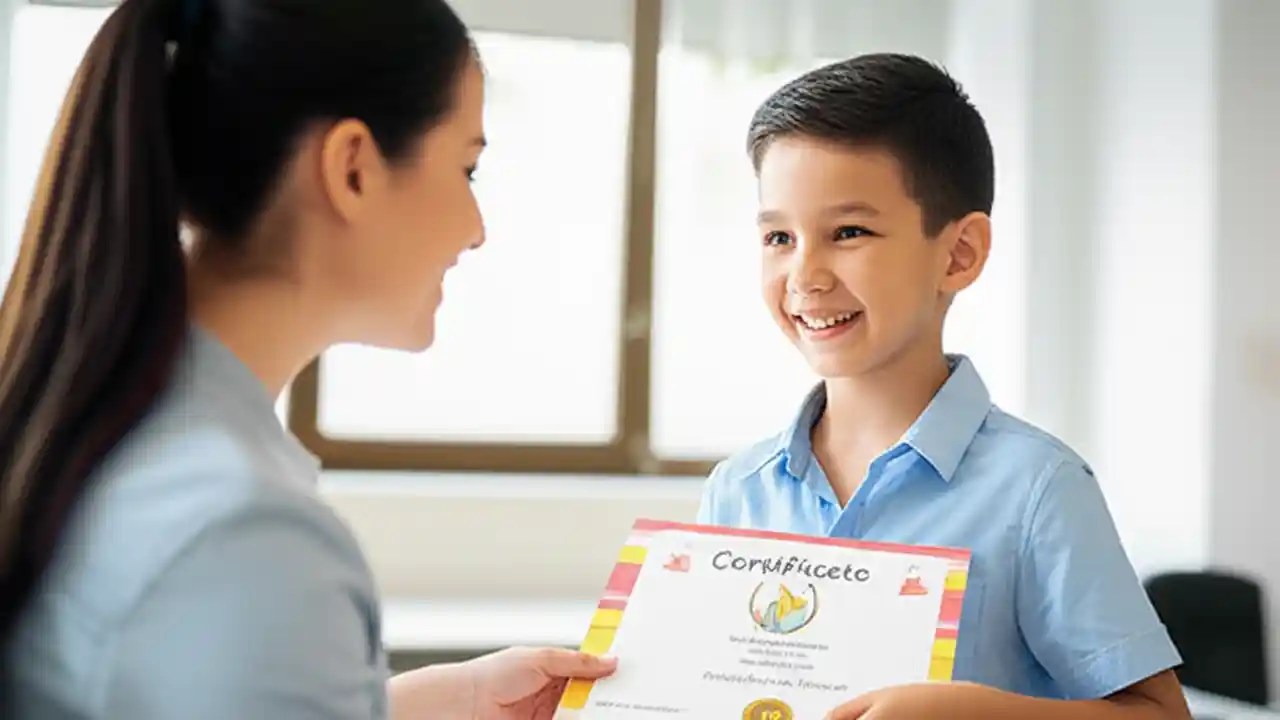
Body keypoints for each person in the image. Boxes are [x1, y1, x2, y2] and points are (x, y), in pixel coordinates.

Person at [0, 0, 614, 717]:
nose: (475, 230)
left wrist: (432, 703)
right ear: (352, 167)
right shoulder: (246, 539)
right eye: (466, 169)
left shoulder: (104, 434)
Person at [695, 54, 1192, 719]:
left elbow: (1161, 715)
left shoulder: (1037, 489)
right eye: (779, 236)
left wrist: (980, 714)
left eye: (849, 232)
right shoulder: (737, 490)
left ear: (959, 254)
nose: (805, 275)